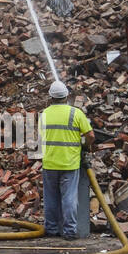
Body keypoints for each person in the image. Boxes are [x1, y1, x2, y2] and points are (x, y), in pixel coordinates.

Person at [41, 78, 94, 240]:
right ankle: (70, 231)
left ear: (51, 97)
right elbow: (90, 135)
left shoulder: (44, 114)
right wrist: (84, 145)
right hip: (69, 163)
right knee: (69, 198)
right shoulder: (75, 113)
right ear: (66, 96)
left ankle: (51, 229)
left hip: (49, 163)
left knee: (50, 198)